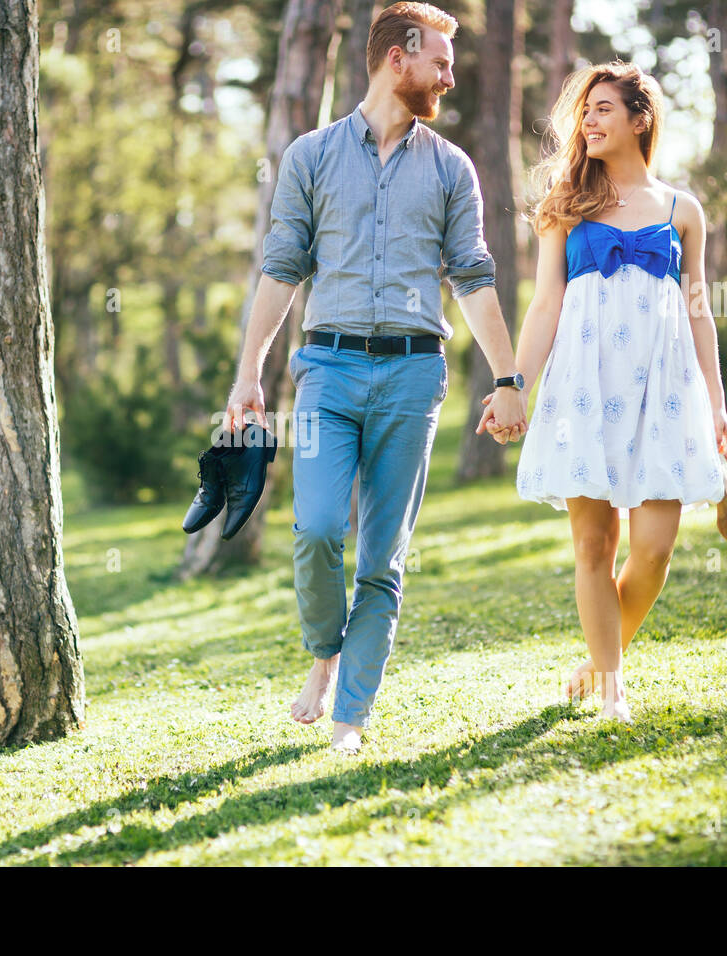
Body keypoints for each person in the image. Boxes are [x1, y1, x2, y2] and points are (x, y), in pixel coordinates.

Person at [223, 2, 525, 752]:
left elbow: (475, 279)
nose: (450, 77)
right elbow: (280, 271)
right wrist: (247, 376)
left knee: (382, 555)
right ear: (399, 59)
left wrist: (509, 377)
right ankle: (325, 651)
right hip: (325, 368)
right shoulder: (311, 157)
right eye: (441, 63)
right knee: (319, 529)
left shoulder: (453, 168)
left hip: (414, 376)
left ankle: (351, 715)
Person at [480, 61, 727, 722]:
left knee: (653, 550)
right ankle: (613, 687)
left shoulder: (684, 211)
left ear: (638, 118)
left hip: (665, 392)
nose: (587, 121)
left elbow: (699, 310)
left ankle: (598, 664)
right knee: (596, 546)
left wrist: (717, 403)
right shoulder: (564, 202)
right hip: (584, 391)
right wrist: (513, 386)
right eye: (584, 111)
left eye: (602, 109)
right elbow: (544, 307)